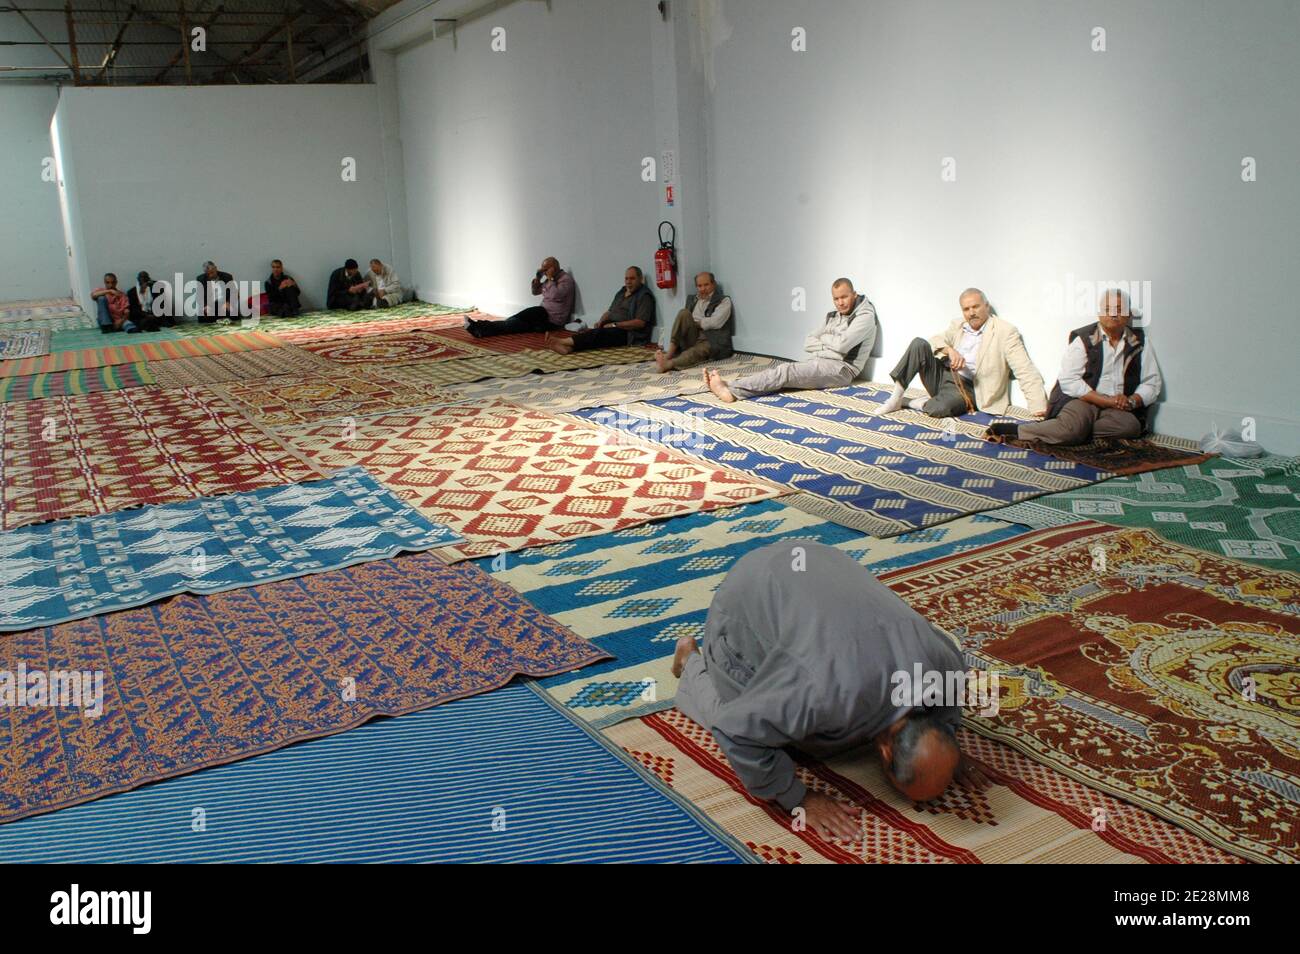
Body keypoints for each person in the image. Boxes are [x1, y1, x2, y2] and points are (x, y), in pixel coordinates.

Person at [672, 540, 990, 840]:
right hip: (745, 599)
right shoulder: (823, 693)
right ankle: (690, 662)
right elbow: (736, 730)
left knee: (827, 726)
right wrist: (798, 797)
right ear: (885, 751)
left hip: (813, 556)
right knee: (783, 735)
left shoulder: (945, 665)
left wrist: (948, 753)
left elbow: (946, 707)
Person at [988, 288, 1163, 445]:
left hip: (1118, 407)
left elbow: (1151, 382)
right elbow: (1069, 381)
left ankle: (1071, 430)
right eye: (1108, 309)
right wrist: (1105, 400)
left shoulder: (1140, 342)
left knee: (1130, 428)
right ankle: (1017, 430)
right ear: (1099, 313)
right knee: (1073, 429)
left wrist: (1132, 401)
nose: (1113, 314)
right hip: (1084, 400)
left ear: (1128, 315)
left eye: (1119, 309)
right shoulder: (1084, 338)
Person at [877, 288, 1048, 418]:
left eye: (976, 307)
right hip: (944, 374)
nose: (971, 313)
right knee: (918, 344)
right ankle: (895, 398)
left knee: (940, 408)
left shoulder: (1005, 331)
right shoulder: (958, 325)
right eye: (966, 309)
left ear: (986, 306)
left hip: (969, 388)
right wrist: (949, 350)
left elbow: (1024, 369)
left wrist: (1038, 406)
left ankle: (909, 402)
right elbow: (934, 340)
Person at [705, 278, 877, 402]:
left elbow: (843, 345)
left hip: (842, 370)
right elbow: (808, 341)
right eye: (836, 299)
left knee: (786, 371)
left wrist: (827, 342)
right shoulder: (833, 315)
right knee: (782, 371)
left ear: (854, 294)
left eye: (844, 297)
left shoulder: (865, 315)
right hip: (824, 360)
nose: (840, 303)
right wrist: (832, 346)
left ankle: (732, 392)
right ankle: (732, 384)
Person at [544, 265, 655, 355]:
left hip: (627, 333)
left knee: (598, 334)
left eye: (632, 278)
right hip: (612, 326)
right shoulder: (622, 292)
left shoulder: (644, 296)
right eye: (626, 278)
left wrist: (615, 325)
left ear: (640, 279)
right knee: (595, 334)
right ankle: (569, 348)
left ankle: (562, 341)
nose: (628, 282)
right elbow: (610, 311)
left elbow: (640, 323)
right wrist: (601, 321)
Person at [464, 256, 574, 337]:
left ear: (553, 268)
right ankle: (479, 329)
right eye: (543, 270)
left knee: (518, 320)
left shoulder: (565, 280)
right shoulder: (550, 279)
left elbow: (556, 295)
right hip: (541, 317)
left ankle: (479, 327)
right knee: (514, 325)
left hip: (552, 320)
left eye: (546, 270)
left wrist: (550, 278)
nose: (544, 273)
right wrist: (538, 278)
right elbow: (535, 292)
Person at [656, 271, 733, 373]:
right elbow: (686, 320)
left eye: (706, 285)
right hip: (693, 335)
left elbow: (715, 322)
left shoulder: (724, 300)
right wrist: (695, 322)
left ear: (713, 284)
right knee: (683, 313)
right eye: (699, 286)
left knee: (694, 352)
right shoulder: (693, 299)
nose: (703, 289)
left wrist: (697, 323)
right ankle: (669, 354)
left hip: (711, 339)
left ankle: (669, 364)